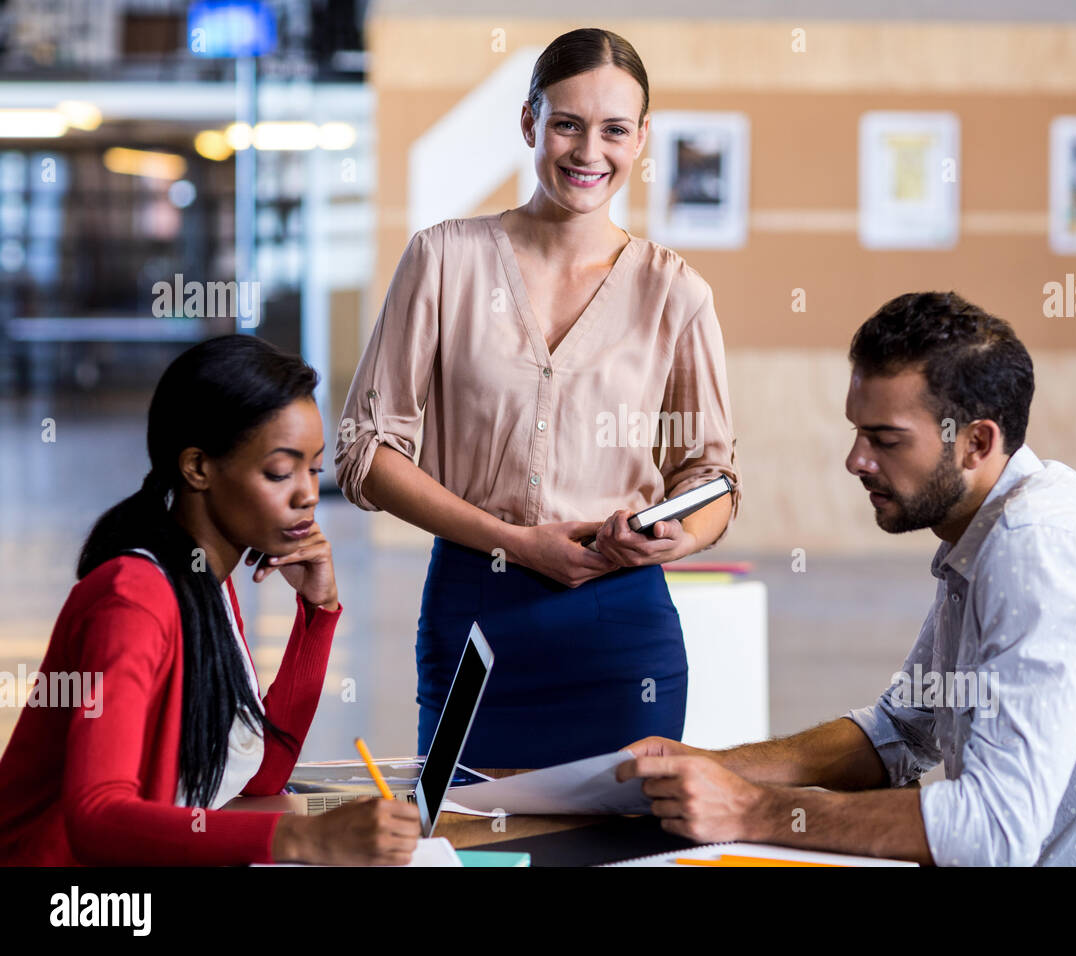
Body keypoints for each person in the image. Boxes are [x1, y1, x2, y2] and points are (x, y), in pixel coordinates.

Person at [617, 291, 1076, 866]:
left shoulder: (1038, 551)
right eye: (856, 433)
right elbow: (900, 732)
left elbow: (993, 832)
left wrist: (754, 811)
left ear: (977, 443)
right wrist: (709, 768)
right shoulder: (988, 537)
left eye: (886, 439)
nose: (856, 460)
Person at [335, 27, 741, 769]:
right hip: (476, 612)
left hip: (621, 628)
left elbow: (712, 479)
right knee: (461, 833)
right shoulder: (443, 260)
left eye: (615, 130)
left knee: (618, 848)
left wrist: (674, 537)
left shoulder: (674, 292)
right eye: (567, 124)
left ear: (642, 138)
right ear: (530, 123)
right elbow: (365, 453)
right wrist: (517, 543)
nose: (590, 152)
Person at [0, 335, 421, 865]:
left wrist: (318, 614)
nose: (308, 494)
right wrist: (303, 838)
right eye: (279, 472)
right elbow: (97, 817)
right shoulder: (132, 601)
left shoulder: (208, 580)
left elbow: (256, 774)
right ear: (197, 467)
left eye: (313, 469)